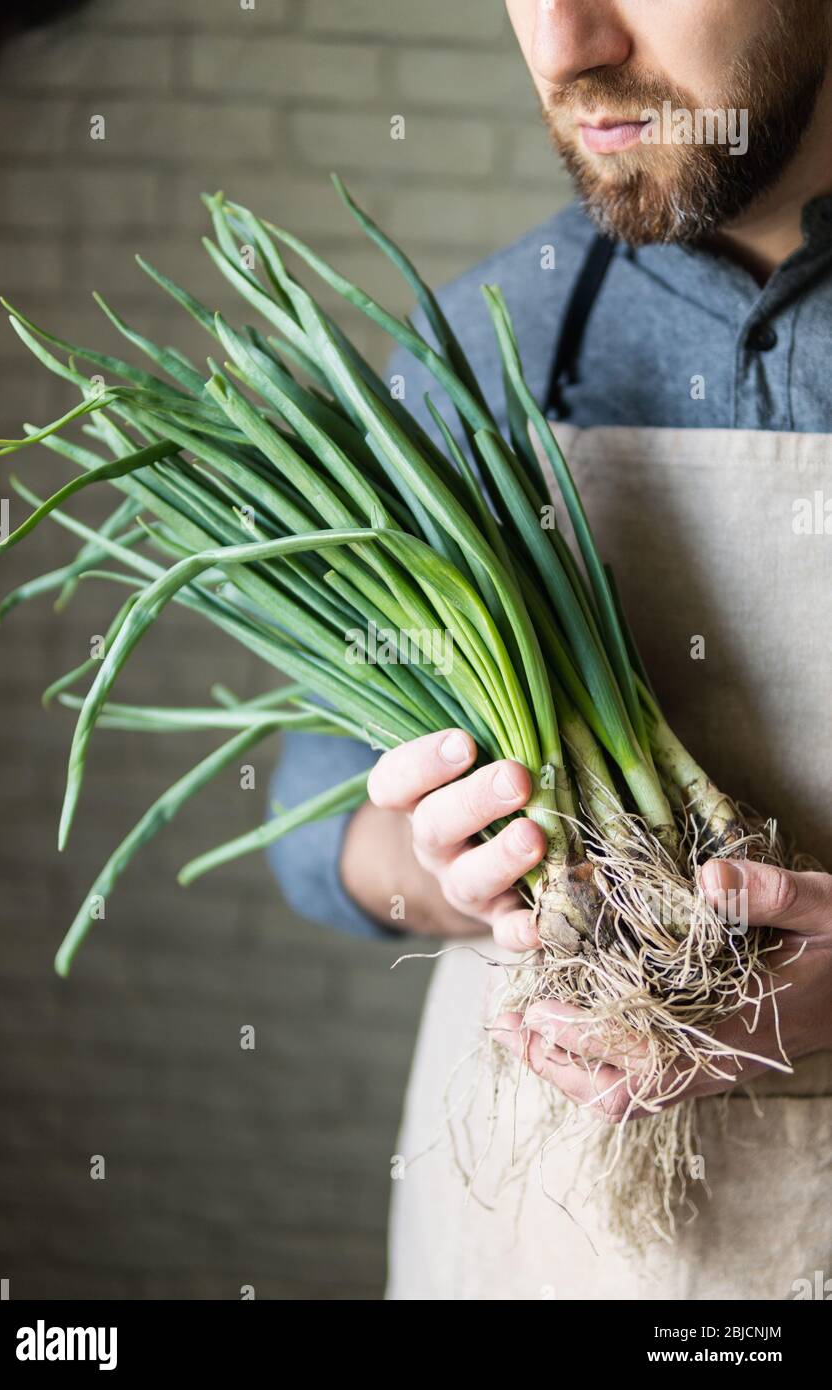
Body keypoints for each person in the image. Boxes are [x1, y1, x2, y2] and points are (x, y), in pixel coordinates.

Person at [268, 0, 832, 1299]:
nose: (563, 44)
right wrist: (439, 865)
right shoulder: (471, 345)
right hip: (545, 1251)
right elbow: (308, 813)